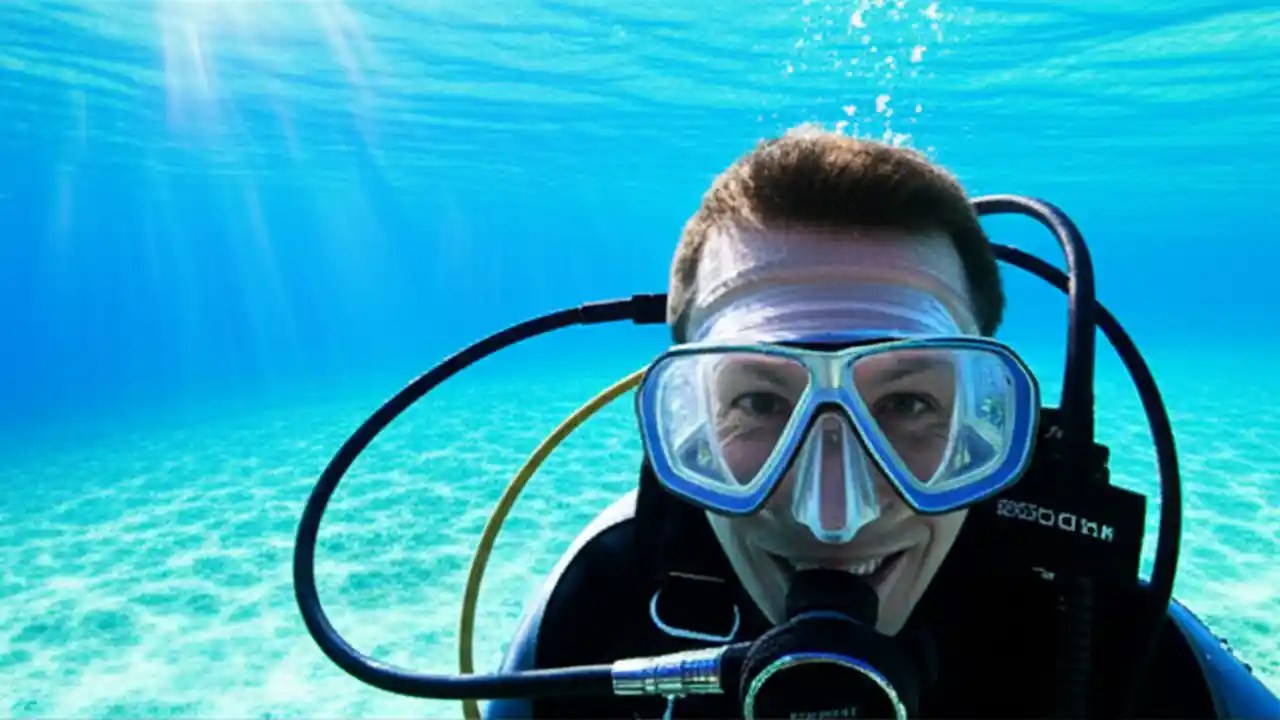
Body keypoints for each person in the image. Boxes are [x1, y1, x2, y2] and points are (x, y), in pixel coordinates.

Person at [483, 127, 1216, 719]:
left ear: (988, 427)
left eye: (907, 404)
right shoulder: (596, 611)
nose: (833, 520)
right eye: (762, 404)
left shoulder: (1108, 631)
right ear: (686, 427)